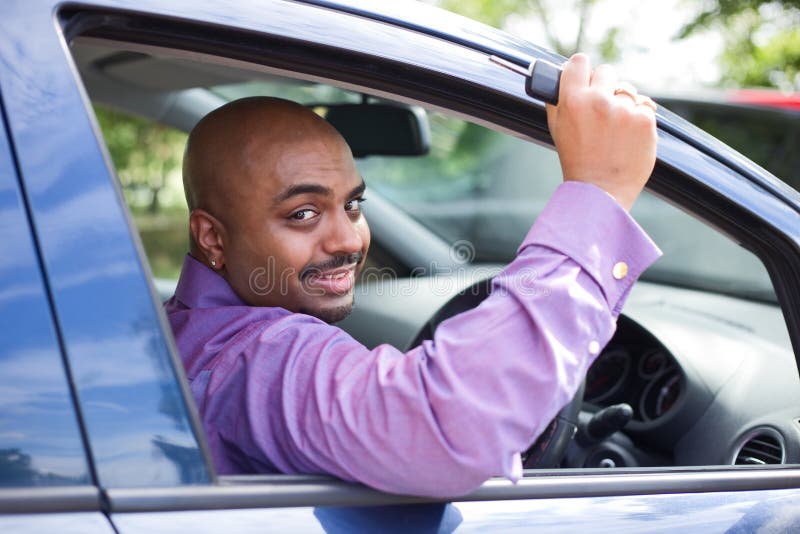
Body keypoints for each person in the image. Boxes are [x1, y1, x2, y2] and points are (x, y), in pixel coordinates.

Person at [165, 54, 662, 497]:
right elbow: (445, 429)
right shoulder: (260, 359)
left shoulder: (177, 332)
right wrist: (599, 194)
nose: (350, 241)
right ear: (212, 238)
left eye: (352, 204)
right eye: (303, 213)